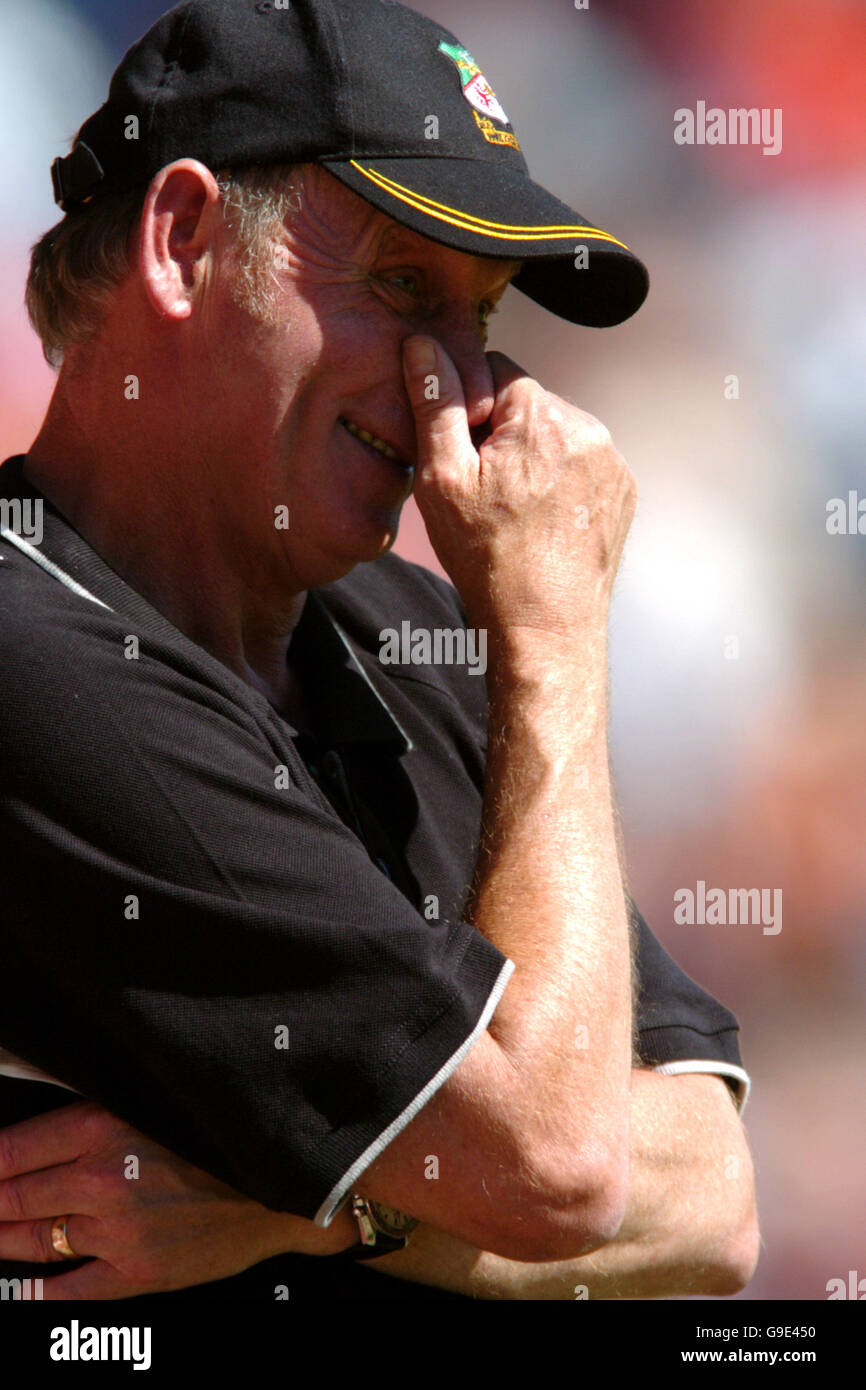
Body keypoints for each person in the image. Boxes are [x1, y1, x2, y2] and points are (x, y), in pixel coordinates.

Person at [0, 0, 757, 1300]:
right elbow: (564, 1169)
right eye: (404, 286)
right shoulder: (34, 650)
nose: (462, 388)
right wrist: (558, 636)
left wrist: (320, 1214)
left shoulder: (408, 636)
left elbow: (718, 1197)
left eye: (482, 314)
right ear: (181, 243)